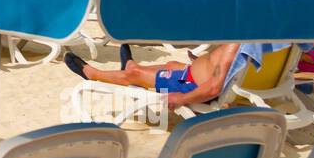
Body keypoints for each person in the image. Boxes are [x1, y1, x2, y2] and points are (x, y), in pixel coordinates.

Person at [63, 42, 241, 110]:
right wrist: (202, 62)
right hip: (191, 74)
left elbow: (214, 87)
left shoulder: (236, 45)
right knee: (172, 65)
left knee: (135, 75)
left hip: (190, 85)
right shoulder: (257, 39)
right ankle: (130, 65)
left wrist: (182, 98)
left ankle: (93, 74)